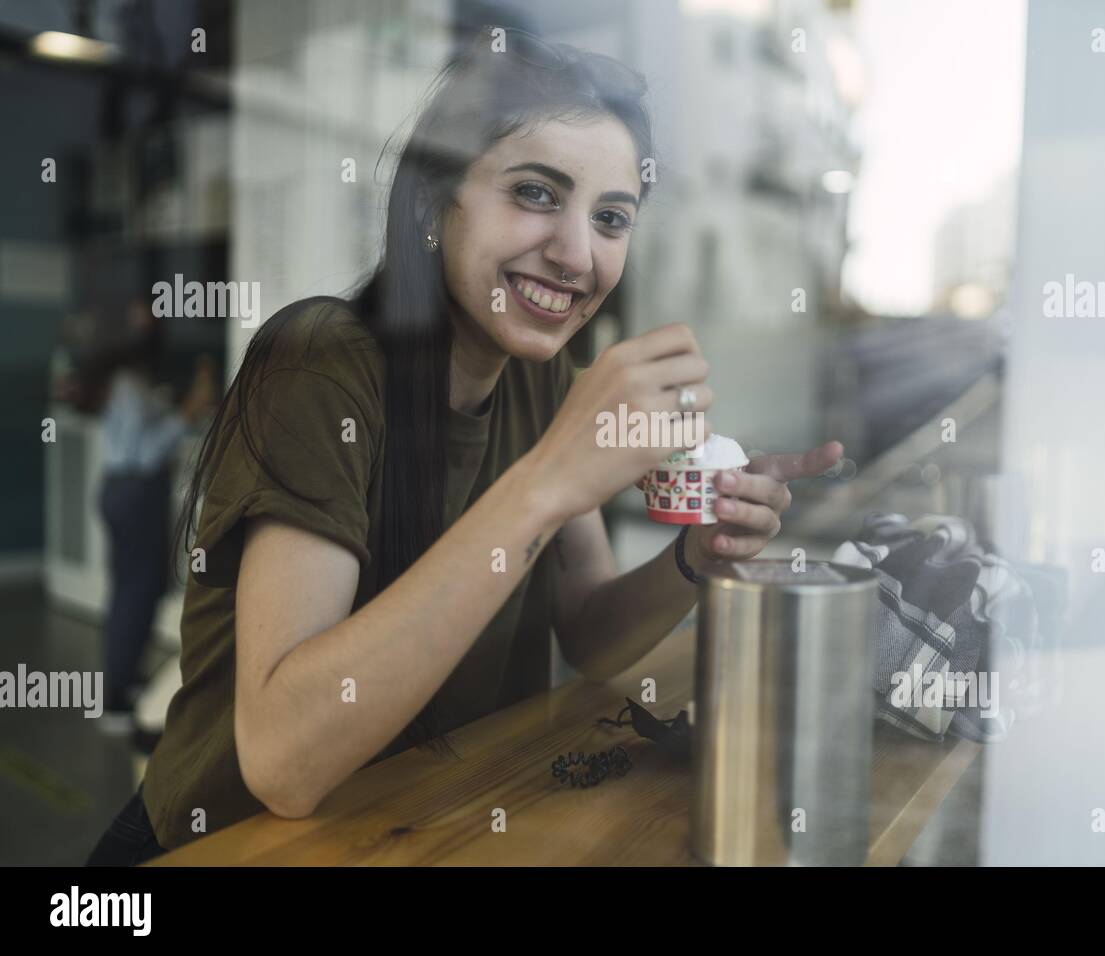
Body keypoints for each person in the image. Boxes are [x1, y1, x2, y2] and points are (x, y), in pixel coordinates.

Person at [86, 26, 841, 866]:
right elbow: (282, 764)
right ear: (429, 204)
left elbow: (589, 632)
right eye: (535, 193)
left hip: (412, 826)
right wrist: (550, 479)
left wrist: (696, 556)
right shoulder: (320, 362)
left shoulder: (541, 381)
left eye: (612, 218)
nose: (576, 255)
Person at [89, 301, 216, 733]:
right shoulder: (126, 383)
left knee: (131, 589)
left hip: (120, 492)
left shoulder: (128, 381)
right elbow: (144, 452)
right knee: (135, 593)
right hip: (134, 492)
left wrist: (180, 410)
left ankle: (123, 682)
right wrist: (186, 415)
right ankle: (116, 700)